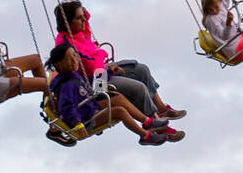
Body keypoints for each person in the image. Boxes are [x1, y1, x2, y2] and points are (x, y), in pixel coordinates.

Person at [53, 1, 186, 120]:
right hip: (96, 83)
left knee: (141, 70)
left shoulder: (80, 31)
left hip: (103, 70)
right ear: (68, 23)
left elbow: (85, 18)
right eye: (79, 18)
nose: (84, 20)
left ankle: (162, 109)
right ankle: (156, 122)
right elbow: (94, 68)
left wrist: (81, 10)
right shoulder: (67, 42)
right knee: (139, 88)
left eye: (83, 17)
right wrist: (100, 54)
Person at [45, 44, 181, 146]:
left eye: (75, 56)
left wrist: (110, 72)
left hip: (90, 105)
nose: (75, 60)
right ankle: (145, 136)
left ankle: (148, 122)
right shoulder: (67, 85)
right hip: (85, 118)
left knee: (119, 97)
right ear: (59, 64)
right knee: (120, 110)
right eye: (69, 59)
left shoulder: (74, 74)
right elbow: (67, 107)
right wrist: (77, 123)